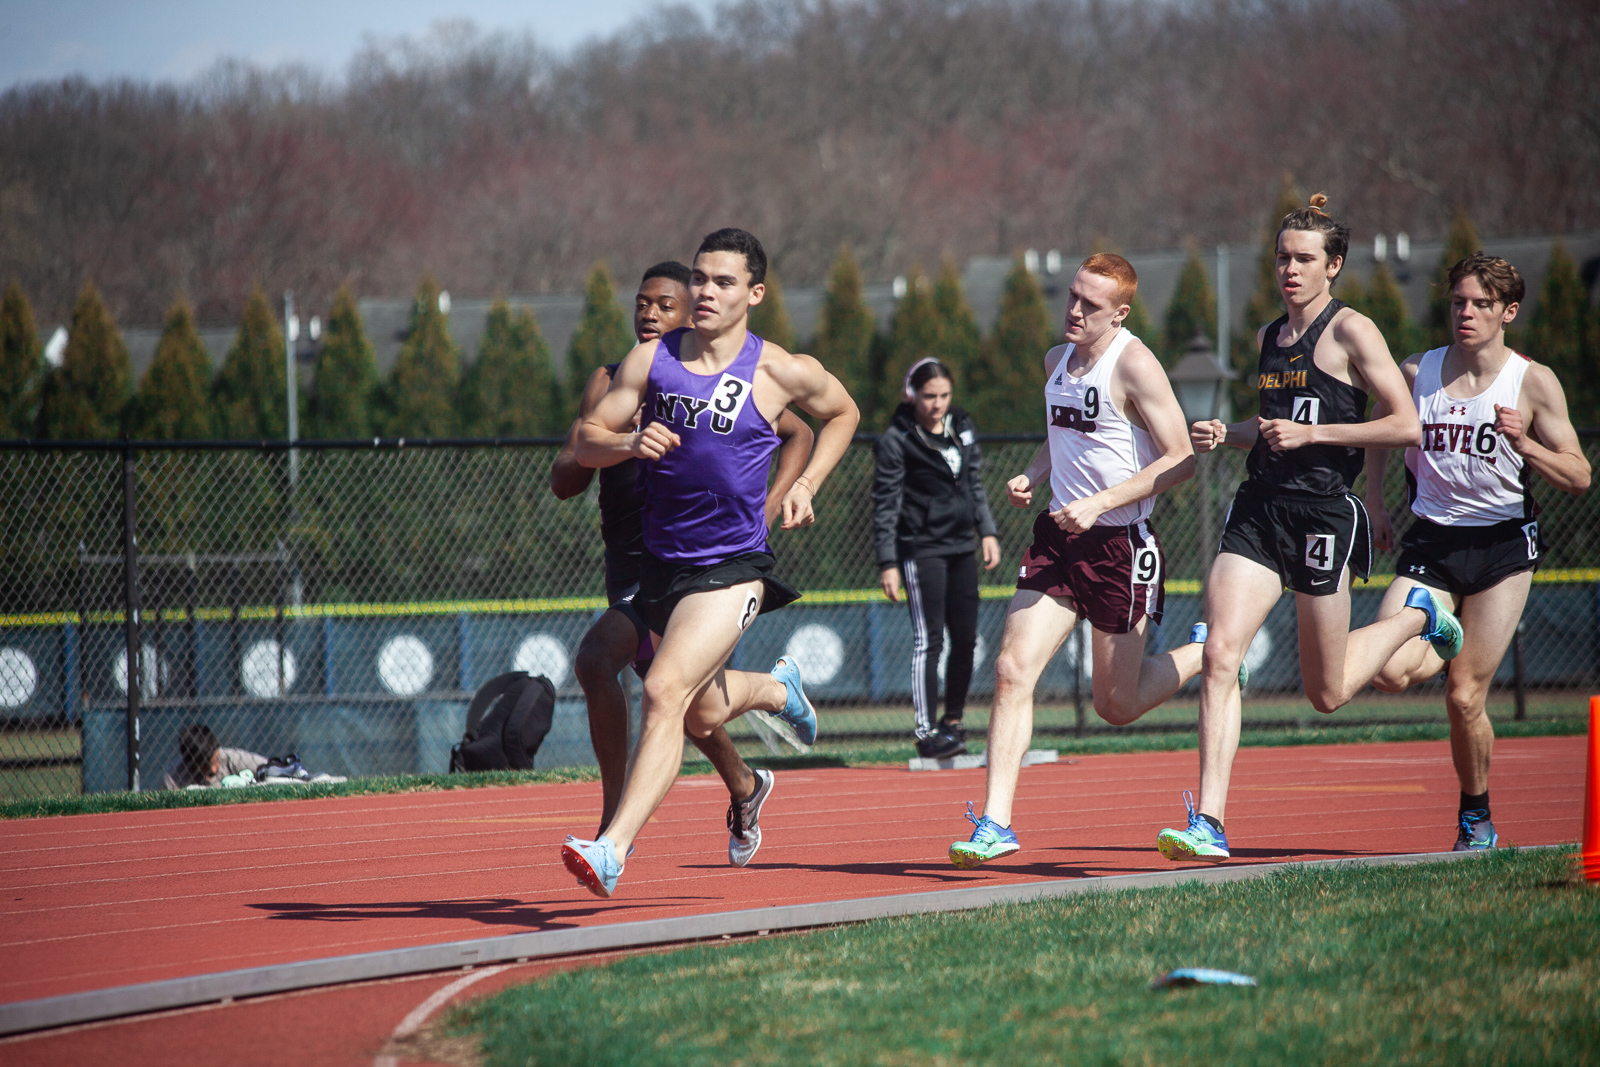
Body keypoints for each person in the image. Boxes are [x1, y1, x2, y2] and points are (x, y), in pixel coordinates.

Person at [1158, 194, 1461, 864]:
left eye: (1303, 258)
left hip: (1325, 512)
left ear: (1334, 265)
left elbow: (1407, 423)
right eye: (1281, 258)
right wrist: (1226, 432)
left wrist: (1317, 432)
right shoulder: (1271, 337)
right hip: (1262, 508)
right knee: (1217, 654)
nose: (1289, 269)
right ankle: (1208, 820)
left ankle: (1414, 619)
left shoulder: (1352, 331)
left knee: (1325, 694)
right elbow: (1273, 429)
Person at [562, 228, 860, 897]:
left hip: (732, 568)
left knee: (665, 690)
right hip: (661, 567)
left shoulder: (778, 369)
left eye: (723, 282)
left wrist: (807, 484)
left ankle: (612, 847)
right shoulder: (652, 360)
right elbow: (586, 442)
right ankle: (780, 690)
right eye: (700, 278)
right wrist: (629, 440)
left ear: (754, 293)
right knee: (697, 714)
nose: (705, 292)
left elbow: (843, 412)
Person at [948, 253, 1208, 868]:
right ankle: (995, 823)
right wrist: (1033, 475)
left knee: (1113, 706)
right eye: (1071, 297)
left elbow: (1181, 459)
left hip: (1123, 546)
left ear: (1119, 314)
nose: (1073, 311)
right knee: (1013, 668)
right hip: (1059, 538)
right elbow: (1062, 432)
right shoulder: (1056, 360)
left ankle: (1209, 653)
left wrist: (1101, 503)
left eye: (1090, 305)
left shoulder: (1137, 364)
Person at [1364, 253, 1590, 850]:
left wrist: (1526, 445)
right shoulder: (1419, 371)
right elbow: (1380, 427)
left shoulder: (1532, 381)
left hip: (1501, 547)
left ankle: (1475, 817)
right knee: (1389, 670)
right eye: (1458, 302)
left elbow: (1579, 475)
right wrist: (1377, 501)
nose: (1466, 313)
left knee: (1464, 694)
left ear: (1508, 311)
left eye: (1481, 304)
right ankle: (1441, 624)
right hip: (1432, 541)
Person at [873, 358, 1001, 759]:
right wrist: (888, 561)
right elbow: (886, 504)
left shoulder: (961, 425)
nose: (937, 404)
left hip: (962, 545)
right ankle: (927, 732)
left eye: (944, 395)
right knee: (929, 640)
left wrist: (989, 531)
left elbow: (975, 482)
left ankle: (954, 722)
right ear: (912, 394)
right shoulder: (896, 439)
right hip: (921, 549)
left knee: (965, 639)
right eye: (929, 396)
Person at [162, 723, 265, 790]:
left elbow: (273, 769)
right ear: (188, 762)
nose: (214, 769)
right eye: (205, 766)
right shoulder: (173, 778)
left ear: (217, 749)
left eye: (215, 760)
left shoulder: (234, 758)